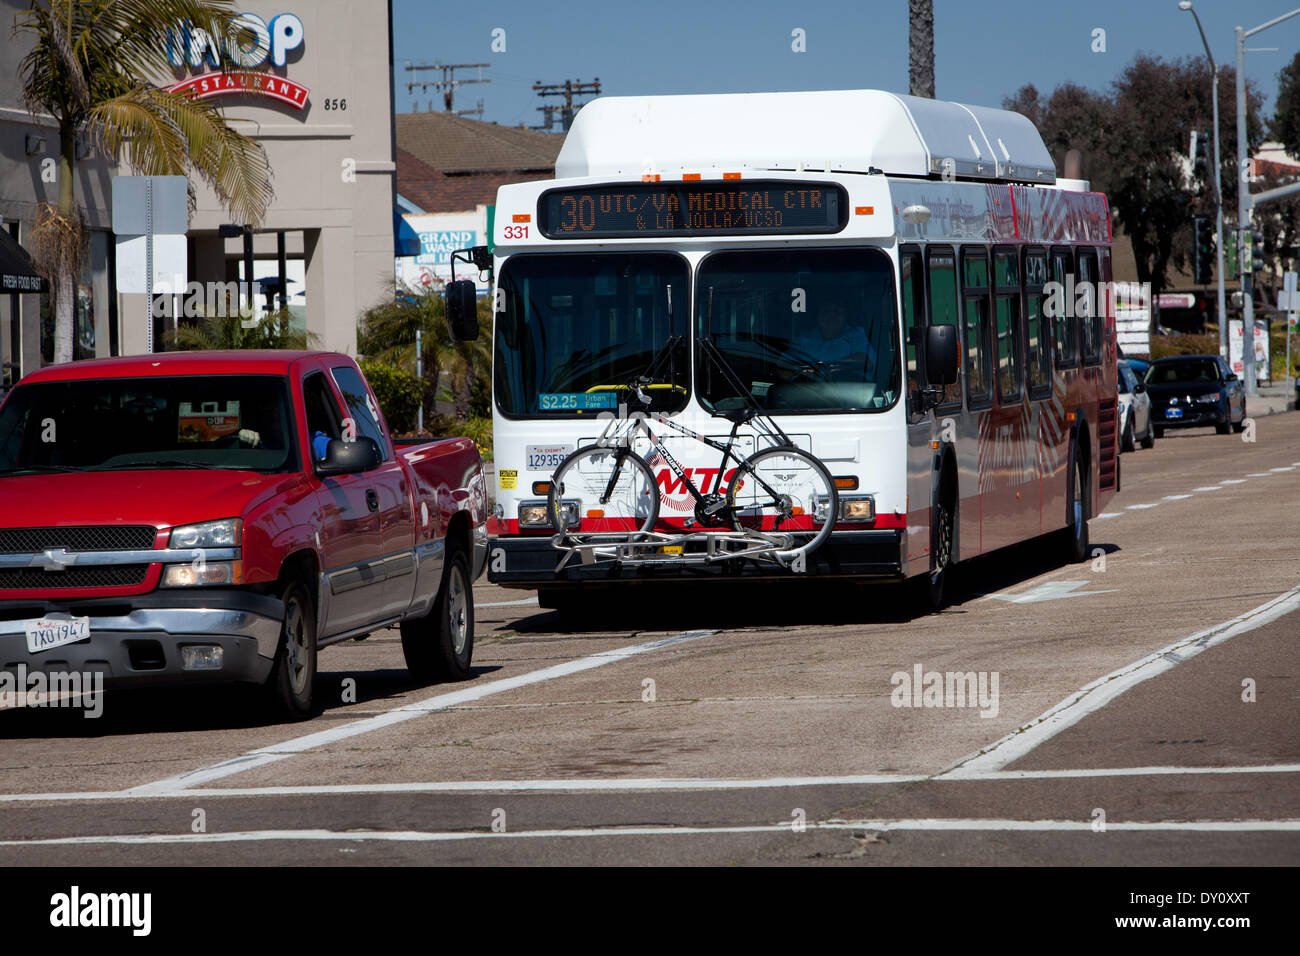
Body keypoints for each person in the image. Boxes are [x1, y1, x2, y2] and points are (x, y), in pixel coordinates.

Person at [795, 301, 875, 365]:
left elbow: (867, 361)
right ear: (817, 315)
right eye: (826, 311)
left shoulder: (856, 335)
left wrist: (827, 368)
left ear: (845, 315)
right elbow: (786, 364)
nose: (831, 315)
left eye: (837, 311)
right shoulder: (803, 339)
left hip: (847, 383)